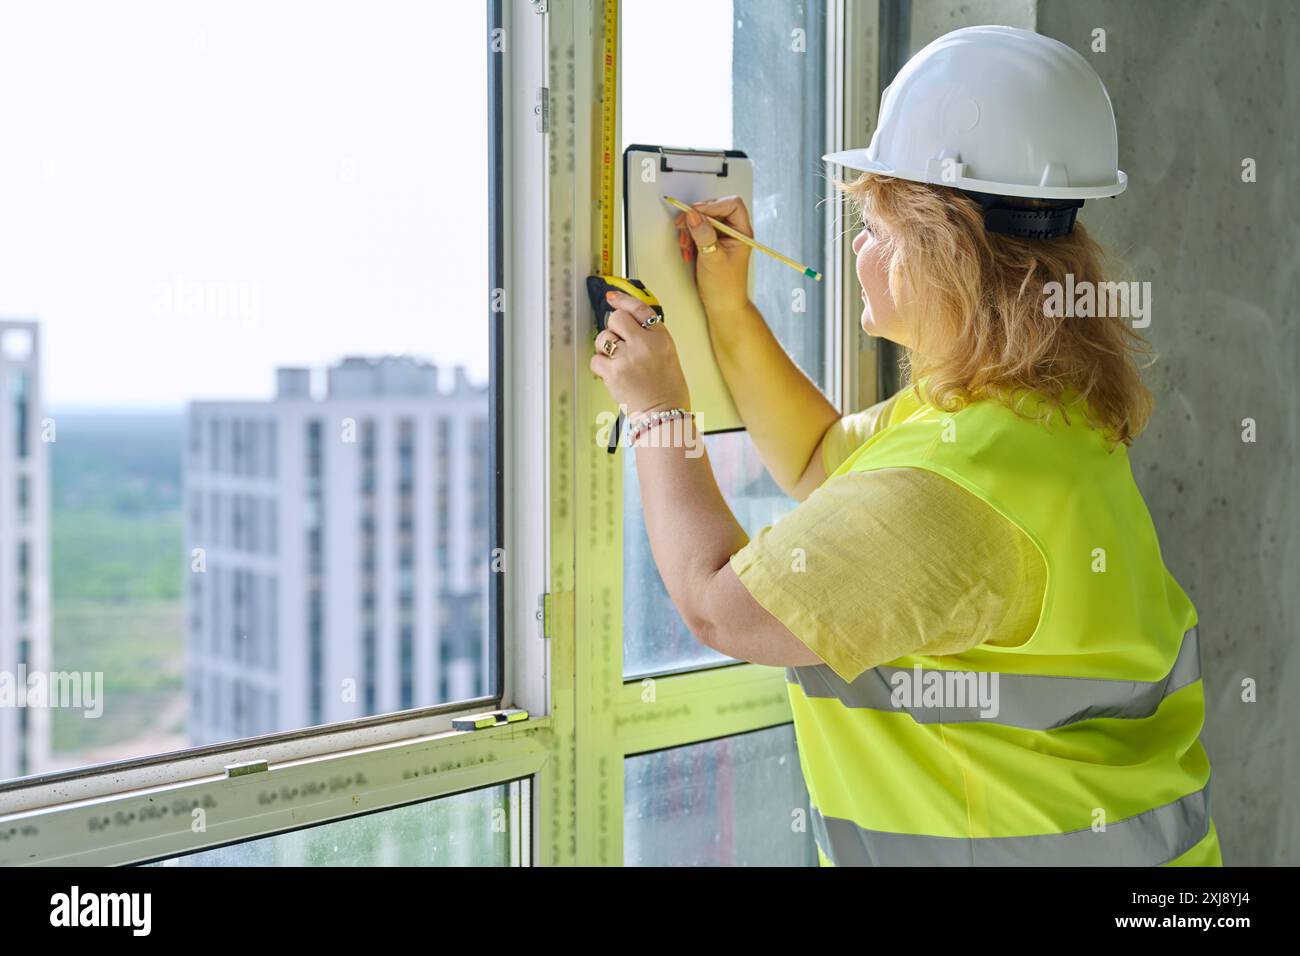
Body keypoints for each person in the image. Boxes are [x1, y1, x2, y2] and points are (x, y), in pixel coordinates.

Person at [590, 25, 1219, 866]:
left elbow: (718, 607)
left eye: (879, 227)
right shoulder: (1029, 416)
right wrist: (732, 314)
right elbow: (819, 457)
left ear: (944, 255)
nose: (860, 246)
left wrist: (660, 412)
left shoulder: (947, 486)